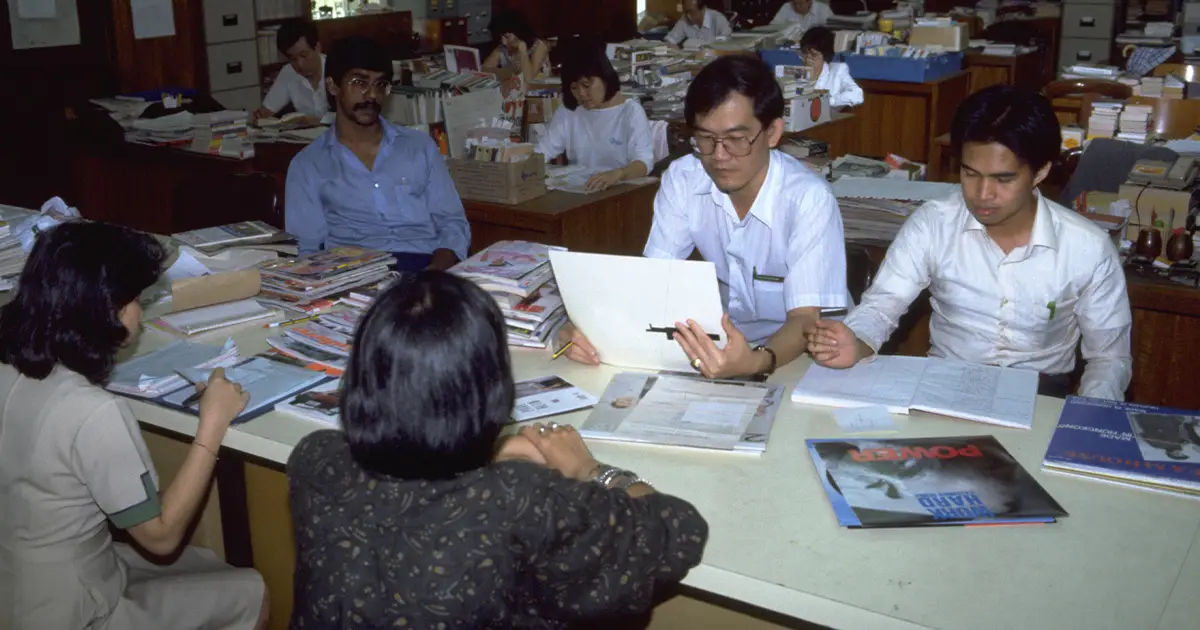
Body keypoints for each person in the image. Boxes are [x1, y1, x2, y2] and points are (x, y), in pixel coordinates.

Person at [287, 271, 707, 628]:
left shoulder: (315, 459)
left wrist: (493, 461)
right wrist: (593, 470)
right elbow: (679, 532)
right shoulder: (520, 499)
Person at [0, 221, 267, 630]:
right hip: (72, 609)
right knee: (251, 588)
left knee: (206, 563)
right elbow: (161, 538)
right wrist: (212, 424)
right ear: (108, 310)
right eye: (137, 300)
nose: (140, 312)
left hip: (20, 572)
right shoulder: (92, 412)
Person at [807, 85, 1133, 400]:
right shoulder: (935, 223)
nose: (983, 194)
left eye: (1003, 179)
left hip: (1040, 393)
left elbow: (1109, 359)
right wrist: (857, 339)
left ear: (1040, 172)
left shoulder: (1087, 247)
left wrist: (1090, 418)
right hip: (945, 385)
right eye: (970, 174)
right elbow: (882, 306)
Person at [560, 55, 850, 379]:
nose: (719, 156)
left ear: (772, 133)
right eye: (706, 139)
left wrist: (756, 362)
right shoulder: (684, 179)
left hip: (806, 355)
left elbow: (805, 320)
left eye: (737, 139)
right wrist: (589, 326)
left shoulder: (808, 199)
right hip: (727, 349)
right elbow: (654, 279)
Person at [286, 36, 469, 270]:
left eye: (380, 85)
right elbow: (307, 250)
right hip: (353, 274)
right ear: (333, 86)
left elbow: (453, 224)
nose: (372, 95)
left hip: (425, 265)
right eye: (359, 83)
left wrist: (433, 275)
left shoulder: (419, 147)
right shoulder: (308, 165)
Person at [534, 41, 655, 192]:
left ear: (605, 78)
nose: (581, 94)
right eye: (574, 88)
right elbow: (543, 150)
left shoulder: (630, 112)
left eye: (586, 85)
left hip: (619, 191)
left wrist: (618, 174)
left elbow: (644, 162)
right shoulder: (569, 111)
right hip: (582, 190)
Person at [253, 19, 330, 125]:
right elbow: (266, 112)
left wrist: (317, 122)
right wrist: (260, 118)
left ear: (317, 48)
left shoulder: (336, 68)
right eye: (293, 59)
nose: (300, 64)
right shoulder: (288, 73)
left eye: (304, 55)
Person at [481, 9, 551, 82]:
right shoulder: (503, 48)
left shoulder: (539, 46)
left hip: (539, 89)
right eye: (500, 37)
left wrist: (522, 50)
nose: (503, 42)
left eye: (507, 37)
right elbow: (484, 70)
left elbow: (529, 79)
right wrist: (508, 74)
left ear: (519, 33)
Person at [800, 26, 863, 107]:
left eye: (813, 55)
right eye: (804, 53)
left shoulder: (837, 71)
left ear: (825, 55)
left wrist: (829, 101)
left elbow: (857, 94)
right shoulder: (798, 73)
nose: (808, 58)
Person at [664, 0, 733, 48]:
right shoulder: (685, 19)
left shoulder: (718, 18)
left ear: (703, 9)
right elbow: (670, 39)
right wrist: (673, 47)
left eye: (691, 12)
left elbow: (726, 43)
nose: (688, 16)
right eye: (687, 12)